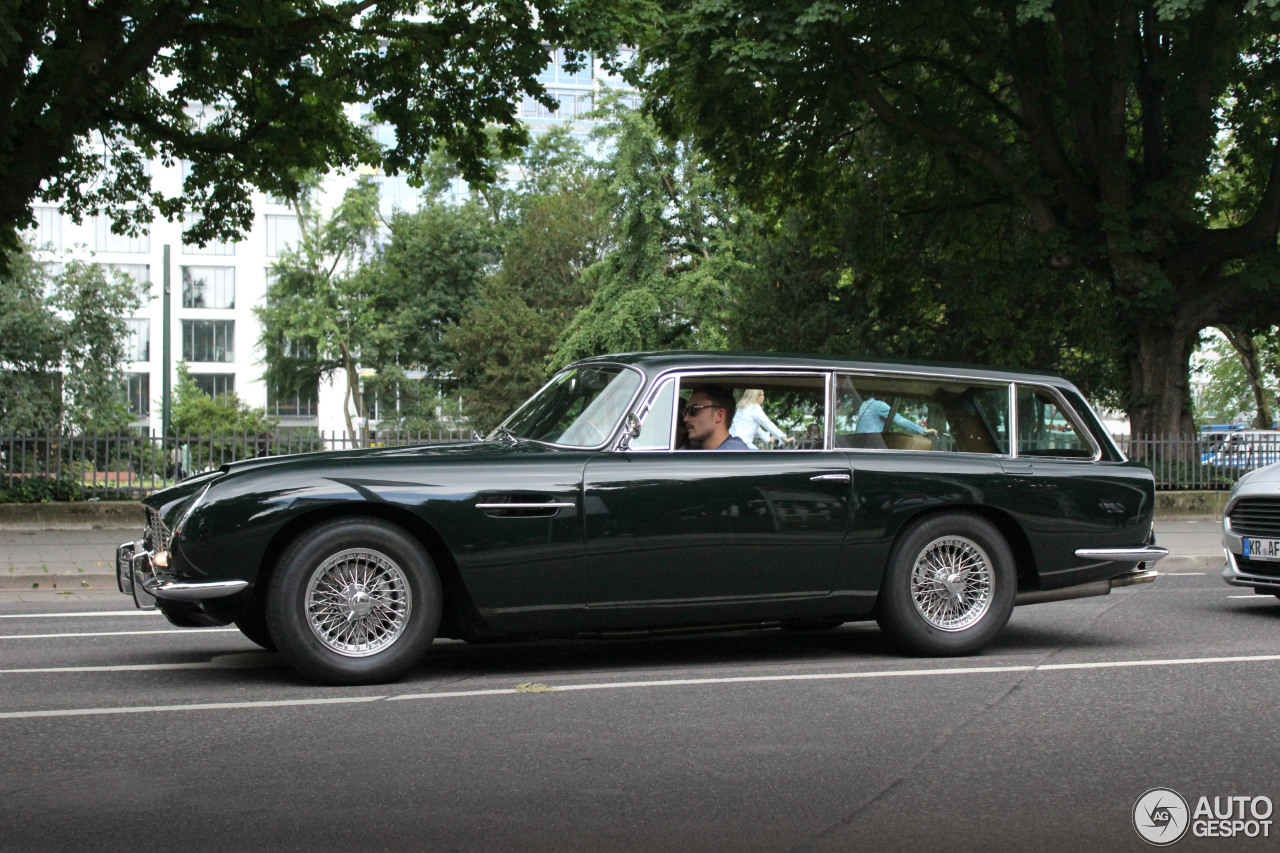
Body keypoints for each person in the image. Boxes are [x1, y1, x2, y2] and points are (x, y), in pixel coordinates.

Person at [682, 384, 750, 450]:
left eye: (693, 410)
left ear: (719, 415)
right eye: (685, 412)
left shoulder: (733, 457)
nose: (685, 419)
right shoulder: (693, 453)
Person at [730, 389, 796, 449]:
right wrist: (783, 438)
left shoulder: (743, 407)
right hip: (742, 444)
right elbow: (768, 423)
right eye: (763, 395)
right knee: (761, 458)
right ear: (758, 396)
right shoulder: (754, 408)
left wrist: (767, 439)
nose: (764, 397)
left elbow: (756, 427)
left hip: (732, 443)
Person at [854, 395, 938, 438]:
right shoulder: (879, 405)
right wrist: (923, 431)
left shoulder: (865, 404)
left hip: (861, 444)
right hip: (872, 446)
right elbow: (899, 420)